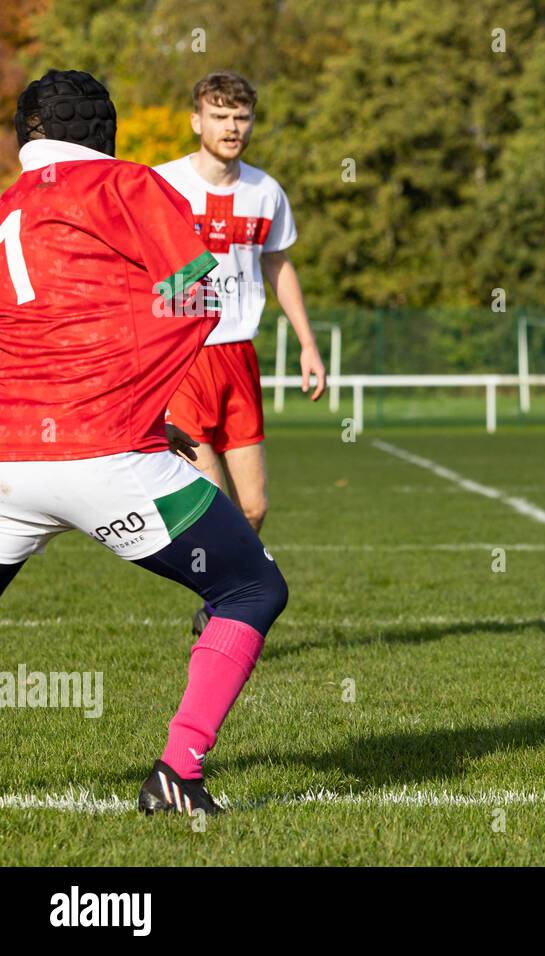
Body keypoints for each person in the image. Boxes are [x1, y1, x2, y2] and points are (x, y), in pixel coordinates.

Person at [0, 70, 288, 815]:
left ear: (25, 137)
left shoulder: (6, 208)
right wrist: (139, 396)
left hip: (8, 459)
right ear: (108, 133)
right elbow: (196, 297)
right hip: (105, 454)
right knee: (252, 587)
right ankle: (177, 775)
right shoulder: (127, 187)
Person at [154, 71, 323, 636]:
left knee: (252, 508)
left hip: (239, 359)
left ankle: (218, 605)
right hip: (182, 359)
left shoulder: (264, 191)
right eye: (220, 116)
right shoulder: (162, 185)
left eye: (242, 117)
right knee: (216, 506)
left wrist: (306, 343)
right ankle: (226, 609)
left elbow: (278, 263)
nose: (232, 128)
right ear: (197, 120)